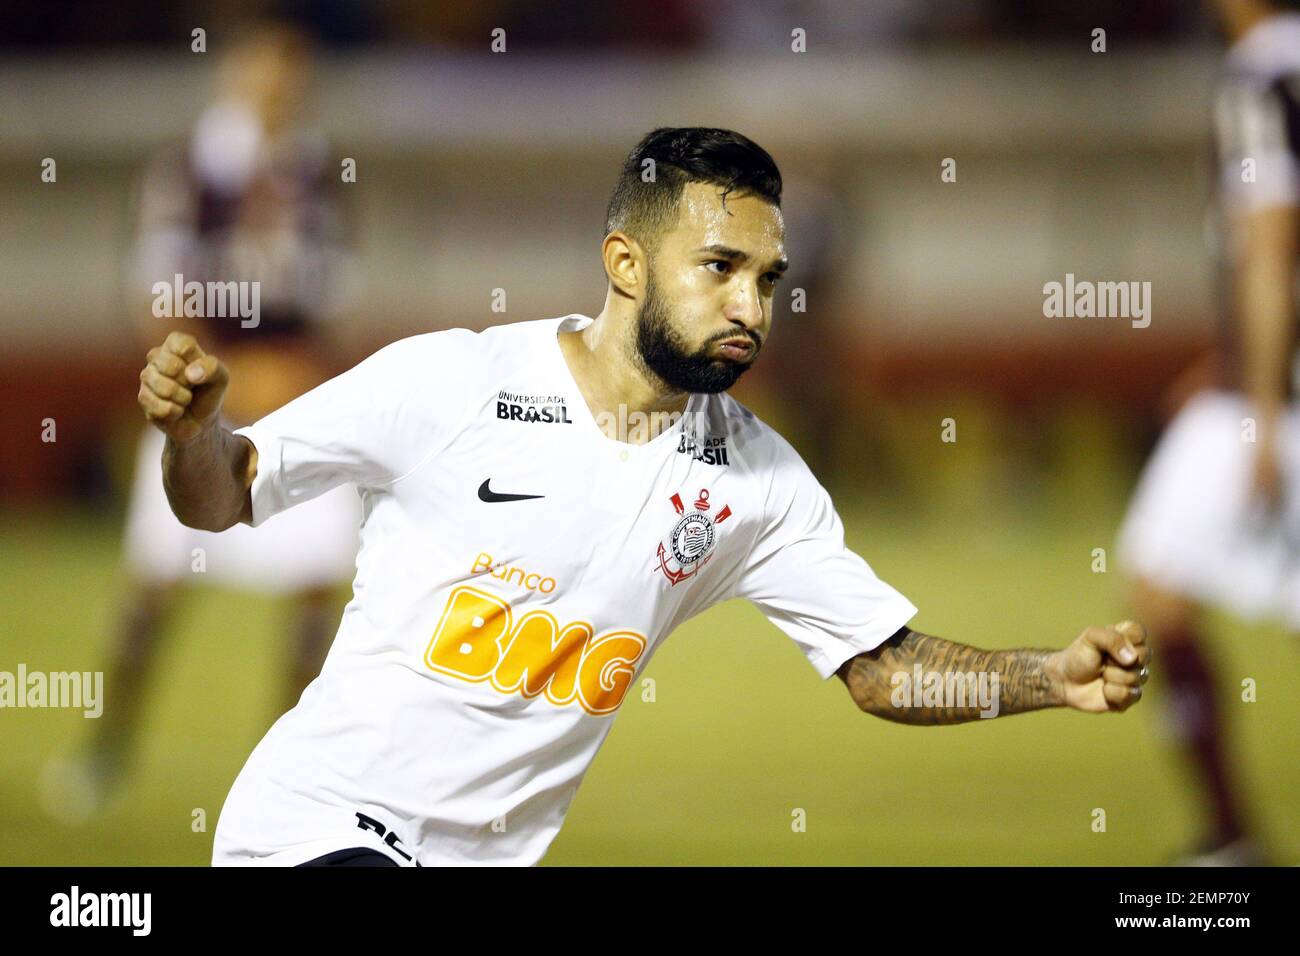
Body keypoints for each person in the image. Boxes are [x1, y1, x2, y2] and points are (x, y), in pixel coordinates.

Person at [138, 127, 1150, 867]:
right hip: (316, 828)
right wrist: (195, 435)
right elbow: (224, 493)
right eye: (719, 268)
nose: (751, 306)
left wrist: (1048, 676)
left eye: (768, 277)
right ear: (624, 262)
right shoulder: (453, 382)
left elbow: (881, 667)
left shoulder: (757, 484)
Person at [40, 23, 359, 822]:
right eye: (263, 67)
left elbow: (323, 304)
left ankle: (290, 784)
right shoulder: (188, 171)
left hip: (293, 414)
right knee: (153, 594)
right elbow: (159, 297)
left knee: (316, 601)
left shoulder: (319, 177)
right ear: (234, 73)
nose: (278, 84)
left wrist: (292, 377)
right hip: (202, 406)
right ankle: (105, 752)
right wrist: (223, 375)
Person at [1117, 0, 1300, 866]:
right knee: (1159, 586)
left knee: (1157, 592)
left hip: (1280, 399)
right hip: (1254, 383)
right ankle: (1230, 837)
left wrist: (1260, 403)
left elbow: (1271, 244)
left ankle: (1231, 835)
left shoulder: (1264, 76)